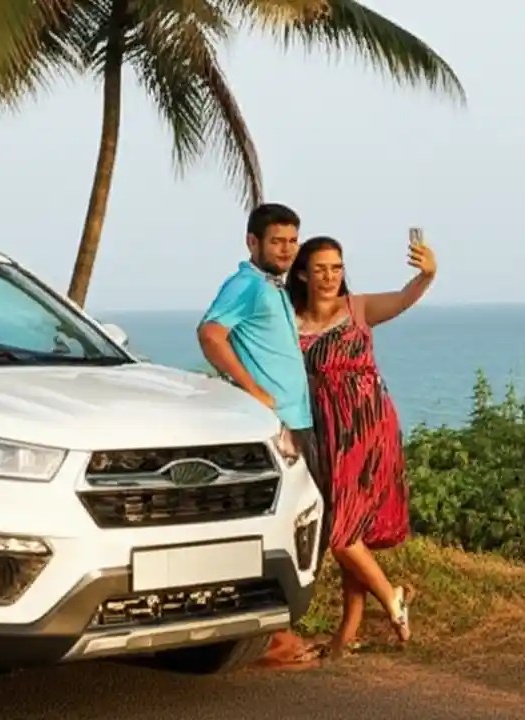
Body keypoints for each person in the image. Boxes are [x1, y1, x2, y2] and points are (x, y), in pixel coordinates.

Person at [285, 232, 436, 659]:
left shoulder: (358, 308)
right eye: (320, 269)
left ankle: (391, 598)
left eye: (336, 267)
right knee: (350, 532)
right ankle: (345, 636)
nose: (330, 276)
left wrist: (428, 274)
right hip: (328, 432)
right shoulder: (289, 321)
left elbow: (404, 299)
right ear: (303, 274)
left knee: (343, 534)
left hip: (370, 426)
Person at [197, 202, 329, 666]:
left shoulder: (273, 287)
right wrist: (251, 391)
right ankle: (274, 638)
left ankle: (276, 627)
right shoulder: (247, 285)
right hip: (277, 425)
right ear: (252, 242)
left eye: (292, 241)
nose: (287, 250)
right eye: (277, 241)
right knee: (284, 522)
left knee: (307, 519)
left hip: (296, 419)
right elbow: (211, 334)